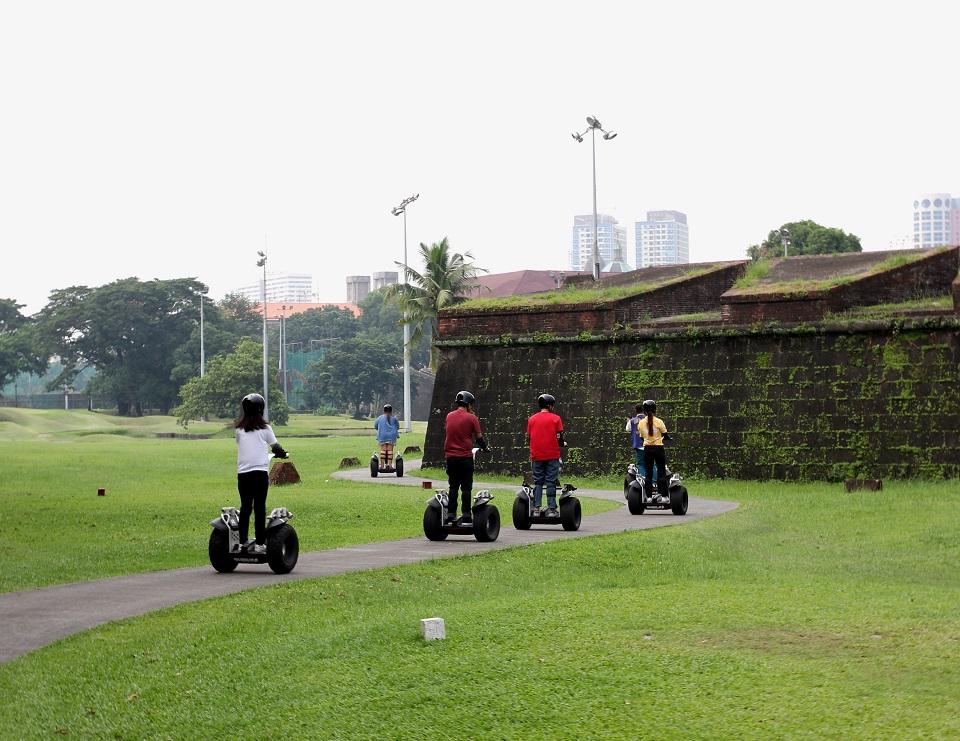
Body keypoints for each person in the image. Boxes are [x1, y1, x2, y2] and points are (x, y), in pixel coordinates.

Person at [234, 393, 288, 554]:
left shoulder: (239, 429)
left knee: (245, 507)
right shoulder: (265, 429)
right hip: (259, 474)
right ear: (261, 409)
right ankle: (259, 543)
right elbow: (276, 448)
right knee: (259, 507)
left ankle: (242, 542)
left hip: (243, 474)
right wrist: (283, 454)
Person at [443, 390, 487, 525]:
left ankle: (451, 514)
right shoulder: (472, 418)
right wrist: (485, 447)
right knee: (466, 488)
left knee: (453, 486)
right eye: (471, 405)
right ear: (468, 404)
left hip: (450, 457)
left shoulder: (449, 416)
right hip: (465, 457)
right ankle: (467, 515)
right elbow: (479, 438)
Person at [526, 393, 566, 517]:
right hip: (552, 455)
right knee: (551, 481)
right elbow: (559, 438)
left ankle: (536, 509)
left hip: (536, 455)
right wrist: (562, 443)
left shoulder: (531, 419)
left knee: (538, 482)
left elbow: (529, 438)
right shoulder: (556, 418)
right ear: (549, 406)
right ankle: (551, 509)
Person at [638, 399, 671, 499]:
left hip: (647, 448)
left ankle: (648, 496)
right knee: (661, 471)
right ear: (655, 409)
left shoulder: (641, 423)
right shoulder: (659, 422)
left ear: (644, 410)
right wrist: (665, 438)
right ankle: (664, 495)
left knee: (648, 472)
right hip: (658, 448)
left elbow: (641, 436)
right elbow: (665, 435)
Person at [625, 403, 656, 481]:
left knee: (641, 464)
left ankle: (644, 480)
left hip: (639, 445)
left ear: (636, 410)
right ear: (644, 410)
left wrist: (629, 421)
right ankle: (654, 481)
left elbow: (627, 429)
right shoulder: (649, 419)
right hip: (650, 445)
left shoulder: (633, 420)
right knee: (652, 464)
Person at [373, 404, 400, 469]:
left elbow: (375, 426)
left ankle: (382, 466)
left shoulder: (379, 418)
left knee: (383, 450)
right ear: (391, 411)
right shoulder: (394, 419)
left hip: (382, 435)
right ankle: (390, 466)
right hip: (392, 436)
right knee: (390, 450)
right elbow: (397, 427)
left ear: (384, 411)